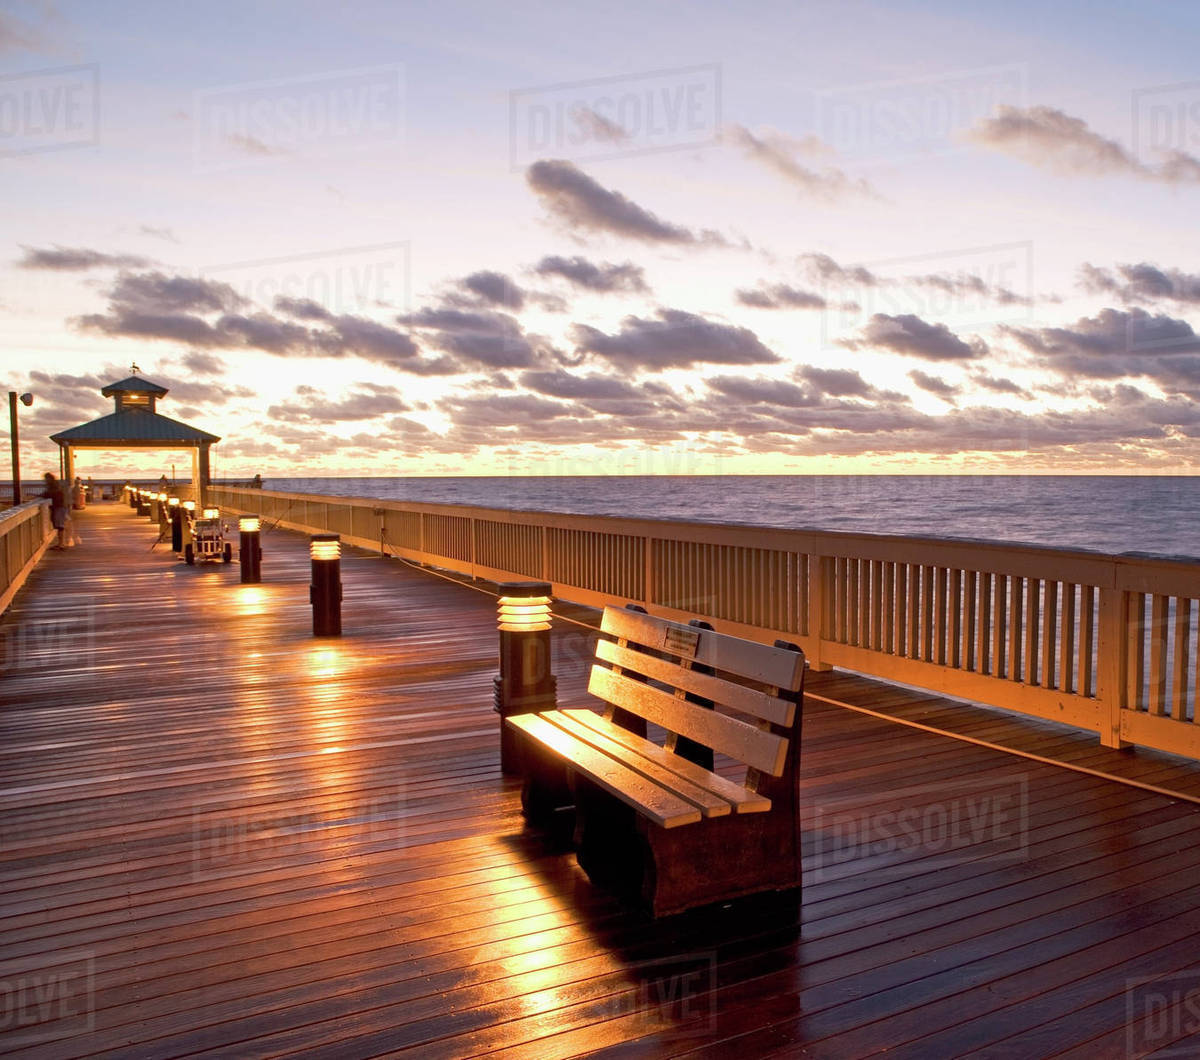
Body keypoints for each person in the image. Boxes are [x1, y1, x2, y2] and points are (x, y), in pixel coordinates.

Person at [42, 472, 68, 549]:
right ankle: (61, 543)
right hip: (59, 507)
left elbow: (51, 494)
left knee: (60, 526)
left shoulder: (54, 486)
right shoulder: (56, 485)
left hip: (59, 507)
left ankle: (61, 544)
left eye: (46, 479)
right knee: (59, 525)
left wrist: (44, 495)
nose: (45, 480)